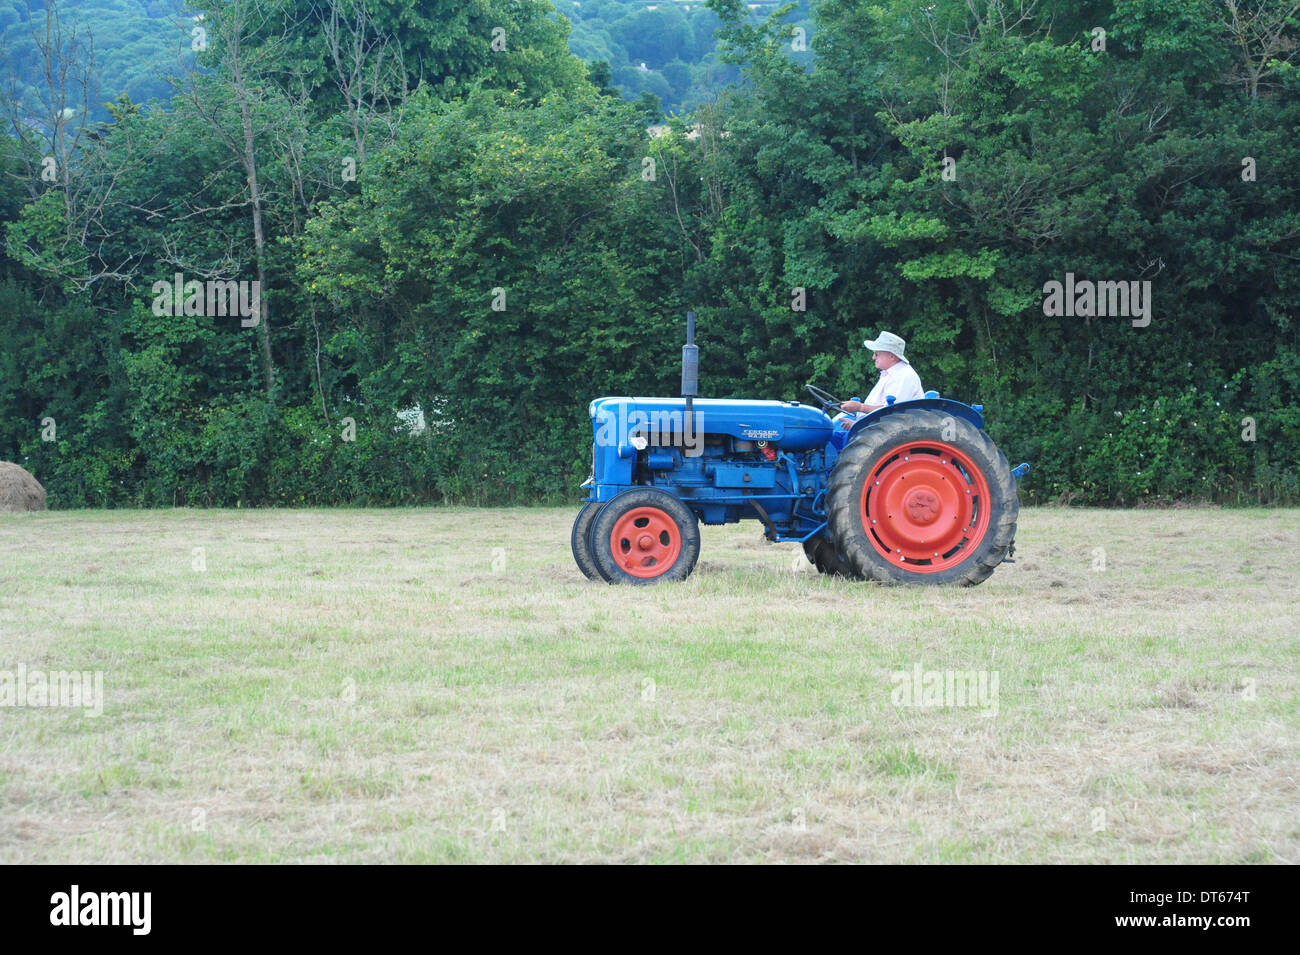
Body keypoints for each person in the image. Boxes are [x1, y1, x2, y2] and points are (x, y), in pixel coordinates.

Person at [840, 331, 924, 414]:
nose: (873, 357)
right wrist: (855, 422)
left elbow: (891, 411)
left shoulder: (903, 376)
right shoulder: (891, 374)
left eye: (877, 354)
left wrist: (860, 407)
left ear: (892, 356)